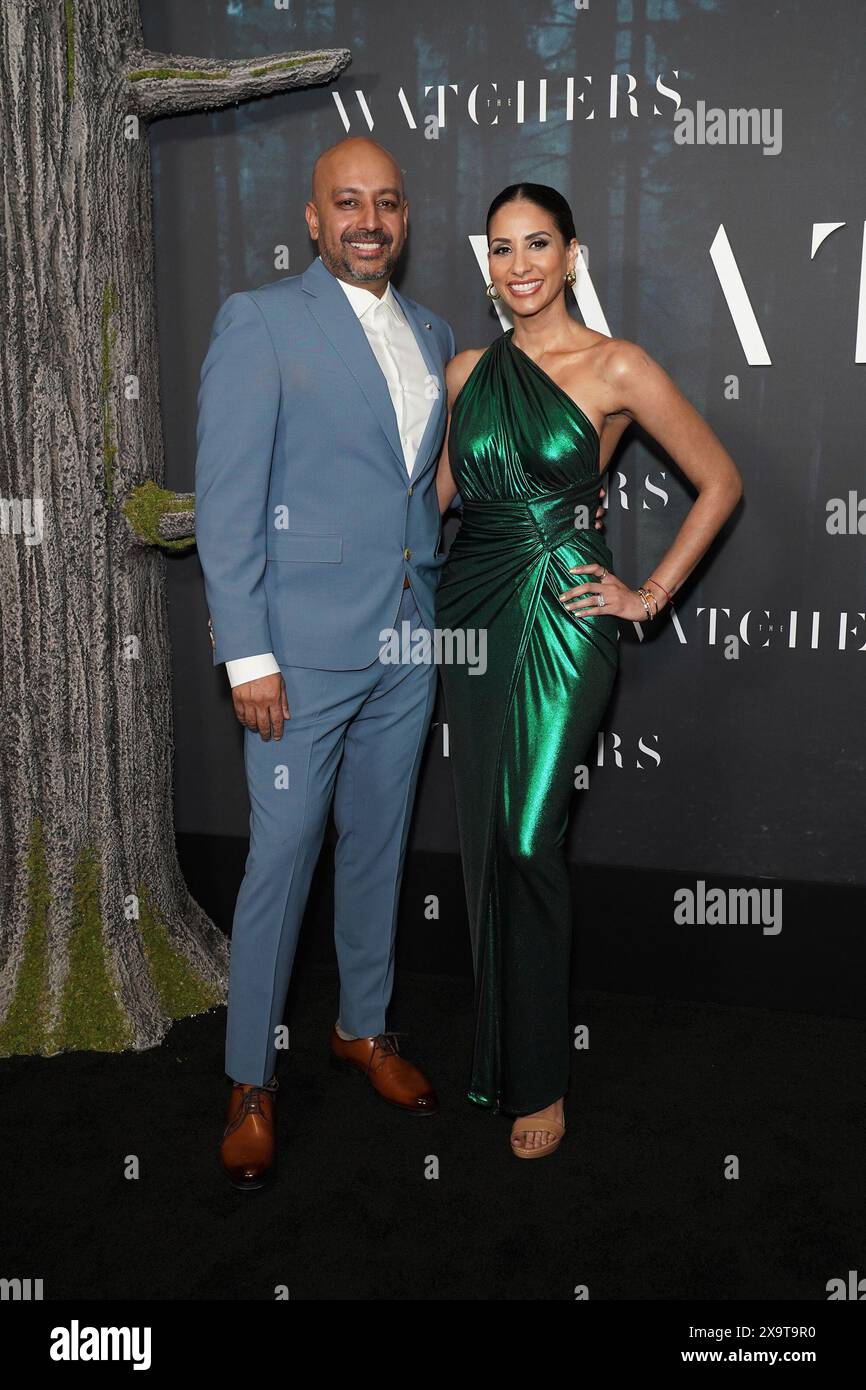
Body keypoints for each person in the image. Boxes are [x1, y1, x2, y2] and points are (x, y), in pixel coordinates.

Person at [435, 183, 743, 1160]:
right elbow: (440, 497)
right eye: (499, 248)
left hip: (566, 615)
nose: (517, 264)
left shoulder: (616, 364)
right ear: (487, 265)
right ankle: (508, 1046)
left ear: (569, 254)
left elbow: (719, 479)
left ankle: (542, 1076)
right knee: (486, 839)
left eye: (535, 244)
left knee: (528, 835)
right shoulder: (463, 372)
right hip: (472, 608)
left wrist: (646, 594)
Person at [195, 137, 456, 1190]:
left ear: (404, 219)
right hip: (296, 654)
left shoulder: (432, 331)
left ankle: (362, 1026)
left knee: (379, 843)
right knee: (282, 853)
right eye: (346, 202)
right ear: (312, 218)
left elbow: (418, 487)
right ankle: (250, 1077)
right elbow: (226, 505)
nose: (368, 219)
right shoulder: (258, 320)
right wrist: (247, 655)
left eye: (386, 203)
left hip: (404, 636)